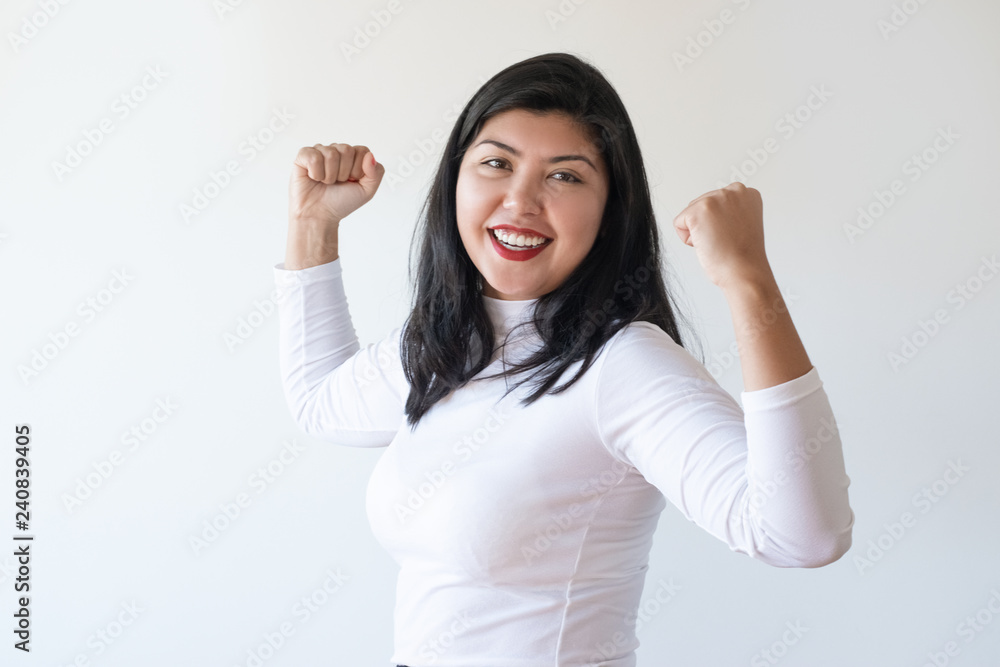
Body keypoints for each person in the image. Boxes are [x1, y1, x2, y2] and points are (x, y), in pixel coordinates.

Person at [273, 52, 854, 667]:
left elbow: (802, 536)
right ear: (454, 183)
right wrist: (312, 224)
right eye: (497, 163)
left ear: (609, 213)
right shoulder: (446, 345)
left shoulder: (622, 365)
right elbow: (322, 404)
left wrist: (749, 282)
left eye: (565, 176)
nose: (520, 200)